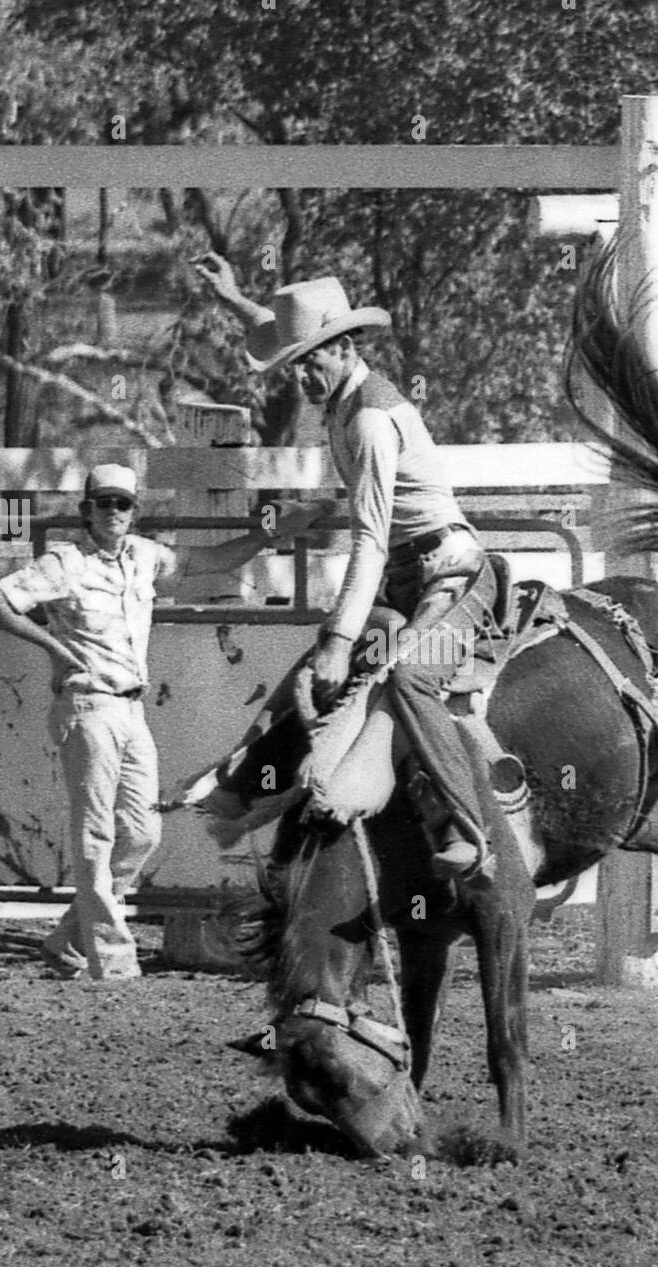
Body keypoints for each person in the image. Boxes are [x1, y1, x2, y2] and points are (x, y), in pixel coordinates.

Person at [198, 258, 496, 881]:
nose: (302, 375)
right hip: (409, 576)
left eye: (312, 361)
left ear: (344, 348)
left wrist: (338, 638)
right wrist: (234, 298)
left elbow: (371, 537)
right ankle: (246, 783)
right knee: (312, 674)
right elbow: (278, 329)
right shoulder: (343, 393)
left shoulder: (366, 418)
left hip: (452, 572)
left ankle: (470, 827)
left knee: (409, 680)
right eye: (295, 365)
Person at [0, 462, 324, 980]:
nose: (114, 512)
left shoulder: (144, 556)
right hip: (88, 705)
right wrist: (53, 649)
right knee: (96, 833)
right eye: (105, 502)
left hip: (130, 708)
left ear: (134, 511)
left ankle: (67, 936)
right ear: (87, 510)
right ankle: (111, 957)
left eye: (124, 503)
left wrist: (270, 531)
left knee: (141, 833)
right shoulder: (65, 564)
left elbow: (211, 560)